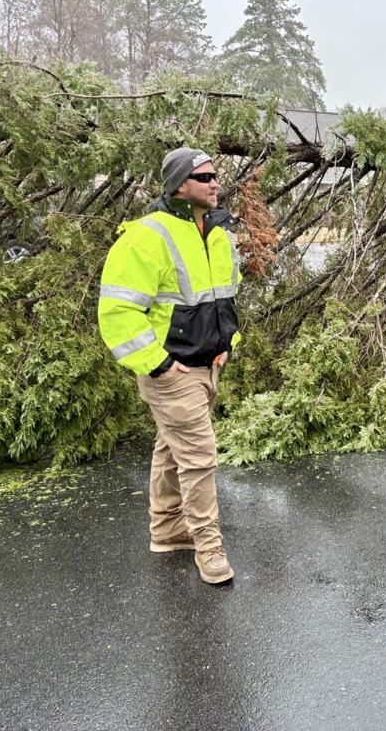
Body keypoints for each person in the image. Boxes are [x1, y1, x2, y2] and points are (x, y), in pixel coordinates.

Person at [98, 147, 241, 585]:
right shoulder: (147, 236)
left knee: (170, 447)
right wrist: (158, 365)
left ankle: (167, 530)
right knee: (198, 458)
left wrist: (227, 343)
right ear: (180, 185)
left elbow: (223, 297)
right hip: (173, 372)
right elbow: (118, 312)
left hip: (206, 365)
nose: (215, 182)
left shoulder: (217, 232)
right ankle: (208, 548)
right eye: (204, 177)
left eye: (216, 175)